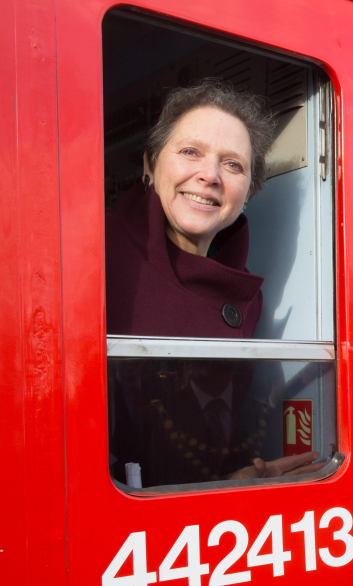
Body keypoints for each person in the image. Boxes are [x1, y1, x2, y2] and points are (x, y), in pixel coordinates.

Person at [106, 79, 323, 484]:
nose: (209, 175)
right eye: (190, 152)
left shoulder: (247, 296)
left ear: (250, 191)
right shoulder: (93, 254)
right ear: (149, 166)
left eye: (232, 164)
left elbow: (207, 437)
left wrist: (231, 481)